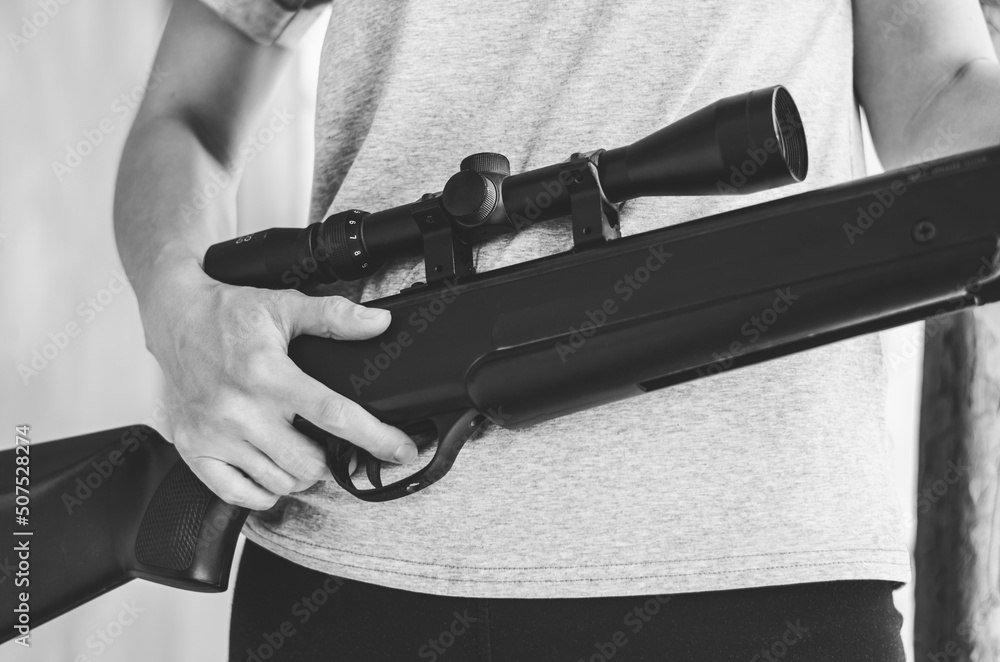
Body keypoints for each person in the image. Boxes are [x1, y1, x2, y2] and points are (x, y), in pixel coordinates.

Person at [114, 1, 1000, 659]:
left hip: (773, 555)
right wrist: (181, 311)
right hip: (362, 559)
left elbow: (942, 88)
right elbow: (186, 112)